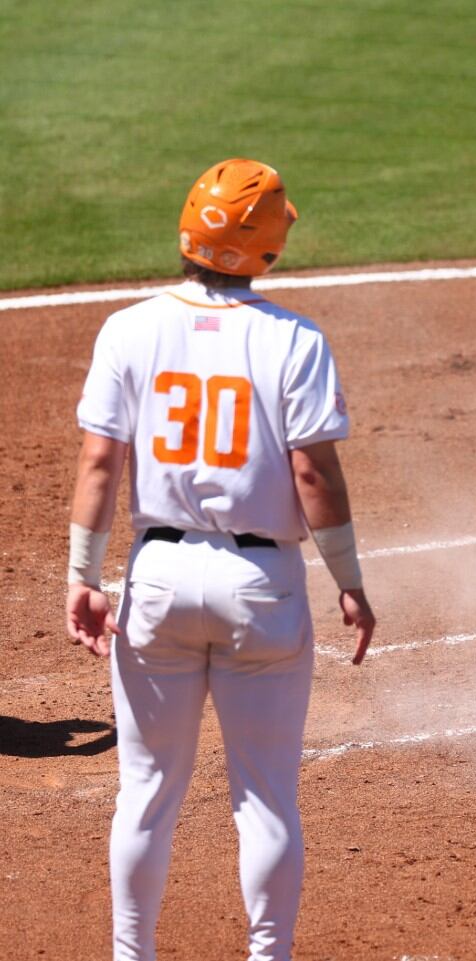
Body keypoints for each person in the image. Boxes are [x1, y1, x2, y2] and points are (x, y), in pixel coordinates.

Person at [65, 157, 376, 961]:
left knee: (145, 794)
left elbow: (100, 463)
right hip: (260, 587)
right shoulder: (295, 340)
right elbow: (313, 471)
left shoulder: (127, 327)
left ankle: (131, 956)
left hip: (157, 578)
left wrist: (81, 576)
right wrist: (348, 582)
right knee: (266, 799)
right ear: (267, 245)